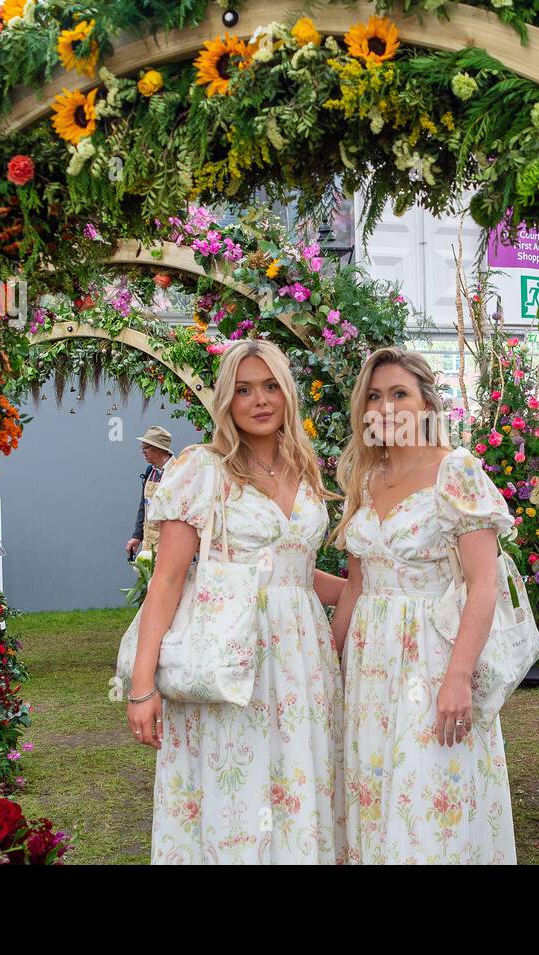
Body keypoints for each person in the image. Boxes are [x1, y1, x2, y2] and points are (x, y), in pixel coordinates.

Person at [125, 340, 346, 864]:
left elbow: (292, 569)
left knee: (297, 782)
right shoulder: (202, 469)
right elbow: (167, 580)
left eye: (270, 386)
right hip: (229, 657)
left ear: (288, 394)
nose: (259, 400)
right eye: (243, 389)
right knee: (236, 787)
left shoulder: (305, 467)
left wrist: (380, 589)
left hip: (302, 661)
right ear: (226, 400)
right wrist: (140, 687)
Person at [330, 347, 517, 864]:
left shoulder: (455, 471)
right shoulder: (366, 480)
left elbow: (484, 584)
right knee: (375, 798)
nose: (385, 407)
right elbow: (355, 587)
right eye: (374, 396)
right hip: (370, 671)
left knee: (432, 800)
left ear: (427, 405)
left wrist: (457, 677)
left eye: (399, 394)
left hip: (432, 662)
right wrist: (327, 660)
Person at [126, 426, 173, 560]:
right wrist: (137, 536)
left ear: (157, 448)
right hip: (149, 545)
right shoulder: (149, 471)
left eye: (145, 447)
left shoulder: (177, 472)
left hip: (169, 546)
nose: (143, 452)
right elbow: (144, 506)